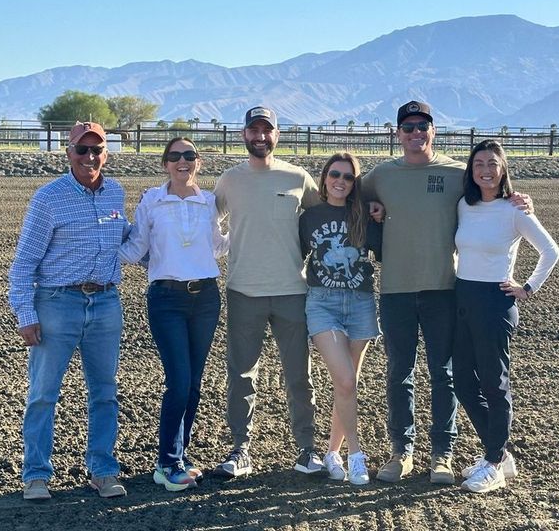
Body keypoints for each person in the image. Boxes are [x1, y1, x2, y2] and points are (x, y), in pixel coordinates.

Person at [362, 101, 532, 485]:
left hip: (443, 289)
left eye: (423, 126)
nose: (415, 133)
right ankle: (401, 451)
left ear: (433, 131)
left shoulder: (457, 173)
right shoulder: (381, 175)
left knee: (444, 372)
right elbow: (344, 191)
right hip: (395, 290)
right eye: (408, 127)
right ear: (397, 133)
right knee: (399, 372)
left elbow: (493, 188)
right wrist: (371, 207)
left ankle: (442, 454)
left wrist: (521, 200)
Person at [7, 122, 128, 501]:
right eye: (82, 150)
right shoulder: (49, 198)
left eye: (98, 149)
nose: (90, 157)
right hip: (58, 303)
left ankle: (103, 469)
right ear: (68, 153)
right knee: (43, 393)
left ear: (106, 152)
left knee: (105, 392)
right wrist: (26, 314)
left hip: (106, 302)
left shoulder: (116, 194)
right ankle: (36, 475)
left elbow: (130, 242)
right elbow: (24, 262)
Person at [211, 106, 324, 478]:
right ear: (244, 135)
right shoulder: (229, 180)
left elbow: (326, 217)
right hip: (243, 291)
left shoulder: (298, 177)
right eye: (253, 130)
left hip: (292, 291)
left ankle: (307, 450)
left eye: (267, 130)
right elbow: (205, 219)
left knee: (299, 375)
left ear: (277, 135)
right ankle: (240, 450)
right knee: (242, 374)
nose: (260, 136)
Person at [119, 136, 228, 491]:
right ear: (165, 163)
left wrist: (251, 225)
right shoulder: (153, 199)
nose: (183, 161)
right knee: (179, 382)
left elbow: (218, 247)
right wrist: (97, 243)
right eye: (175, 156)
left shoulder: (208, 201)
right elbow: (137, 248)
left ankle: (180, 455)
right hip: (166, 300)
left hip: (207, 298)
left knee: (194, 384)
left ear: (199, 162)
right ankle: (166, 463)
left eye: (190, 155)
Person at [453, 139, 559, 493]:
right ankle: (498, 454)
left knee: (493, 385)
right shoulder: (463, 206)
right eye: (479, 163)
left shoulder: (515, 210)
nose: (485, 169)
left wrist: (527, 288)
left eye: (492, 164)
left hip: (494, 303)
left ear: (503, 170)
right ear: (471, 169)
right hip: (463, 297)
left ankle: (495, 464)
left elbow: (550, 250)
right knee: (464, 384)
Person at [299, 152, 383, 486]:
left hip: (361, 302)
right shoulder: (309, 217)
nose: (340, 181)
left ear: (354, 183)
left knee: (345, 384)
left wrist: (382, 213)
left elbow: (384, 250)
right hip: (322, 303)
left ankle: (332, 452)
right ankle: (356, 454)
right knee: (346, 381)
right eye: (335, 174)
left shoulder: (364, 214)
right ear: (324, 177)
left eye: (348, 177)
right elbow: (293, 253)